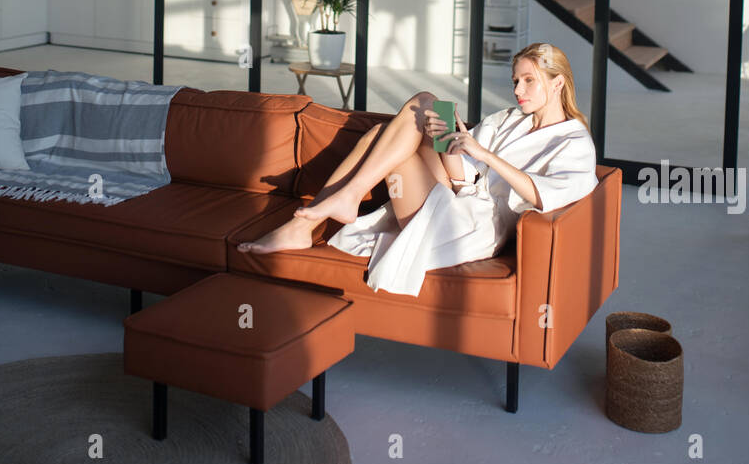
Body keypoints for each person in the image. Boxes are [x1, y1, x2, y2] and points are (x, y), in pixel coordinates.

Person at [236, 42, 598, 298]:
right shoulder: (509, 119)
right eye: (515, 80)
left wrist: (483, 154)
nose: (518, 89)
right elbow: (464, 176)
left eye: (528, 80)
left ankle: (307, 223)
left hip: (473, 227)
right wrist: (451, 140)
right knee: (420, 109)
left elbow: (543, 195)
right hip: (459, 194)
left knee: (390, 139)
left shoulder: (574, 143)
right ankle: (313, 220)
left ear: (558, 82)